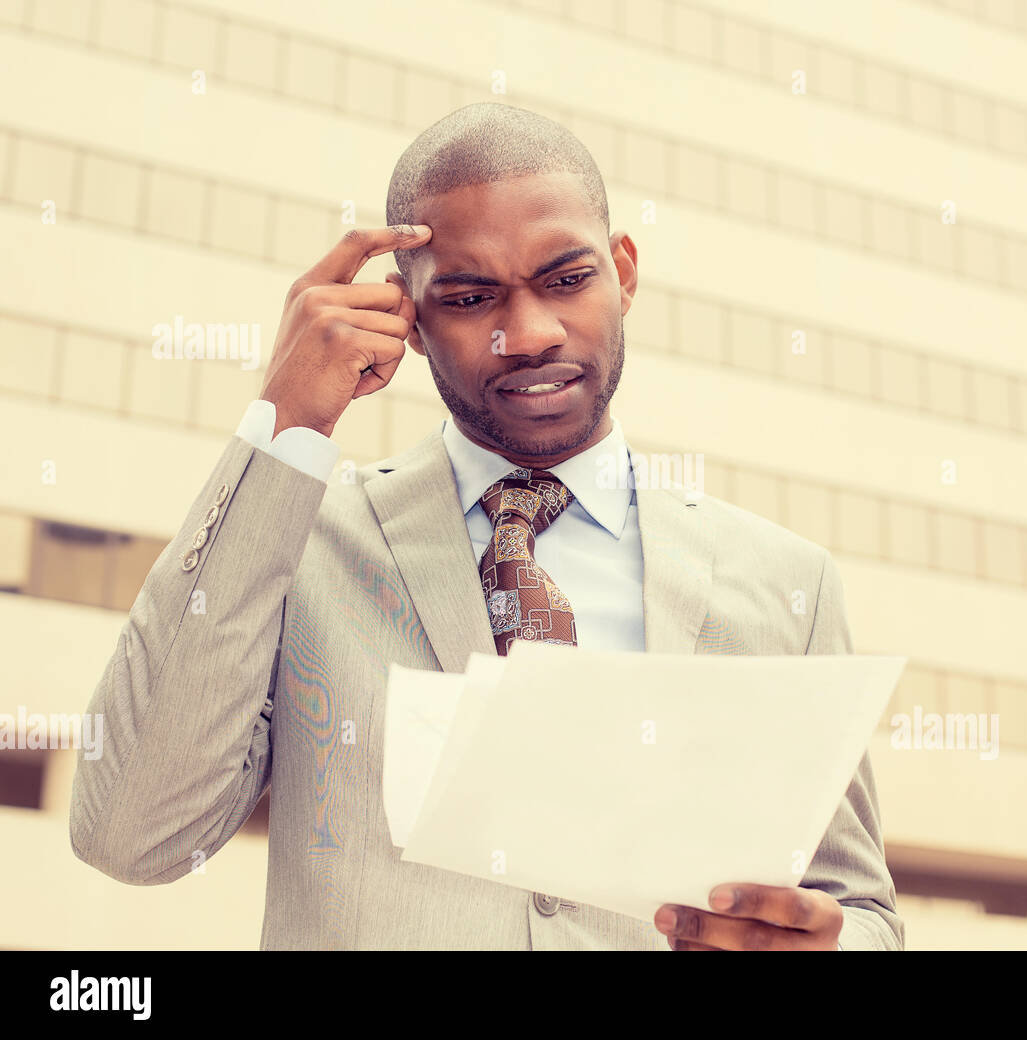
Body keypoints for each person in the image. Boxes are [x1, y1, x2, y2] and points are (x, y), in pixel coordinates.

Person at [69, 102, 902, 951]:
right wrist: (284, 424)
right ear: (410, 319)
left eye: (568, 280)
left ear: (624, 272)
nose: (530, 334)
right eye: (470, 297)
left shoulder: (784, 585)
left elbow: (862, 912)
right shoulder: (301, 544)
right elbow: (131, 836)